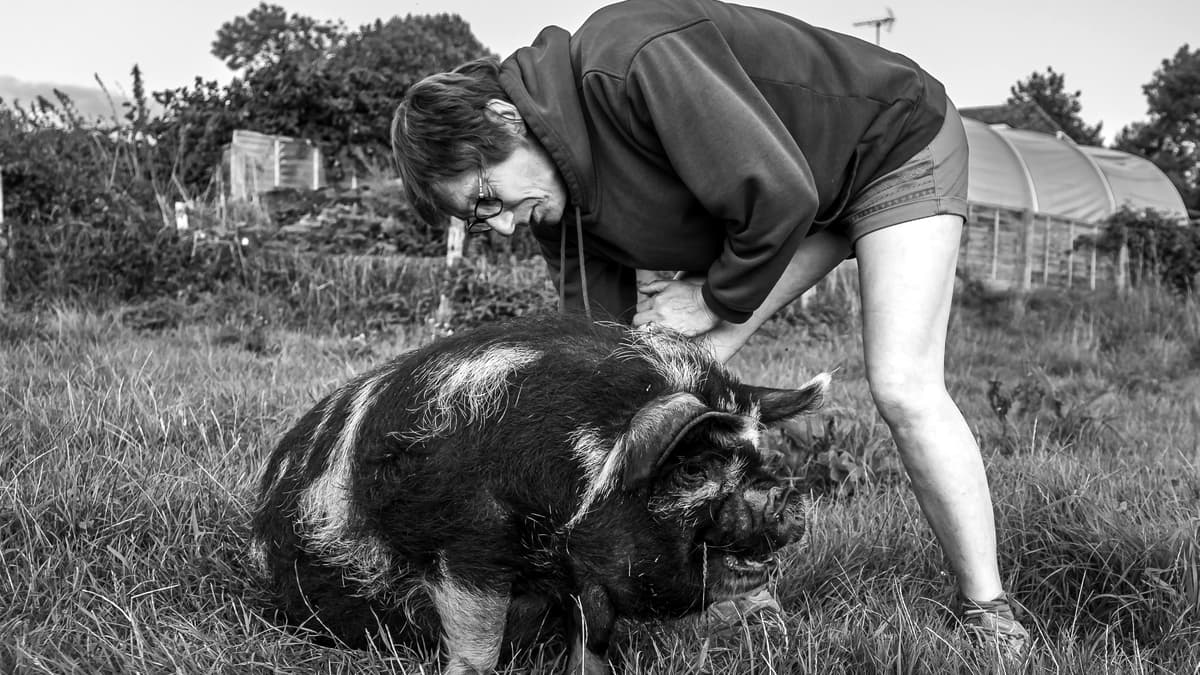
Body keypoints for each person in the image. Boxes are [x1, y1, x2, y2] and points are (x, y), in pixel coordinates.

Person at [391, 0, 1029, 653]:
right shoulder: (558, 209)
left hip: (887, 144)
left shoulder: (631, 56)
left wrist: (707, 300)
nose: (501, 225)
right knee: (666, 378)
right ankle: (740, 583)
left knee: (902, 384)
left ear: (505, 119)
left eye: (488, 199)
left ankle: (990, 608)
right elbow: (604, 359)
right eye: (480, 221)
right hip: (803, 195)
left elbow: (778, 195)